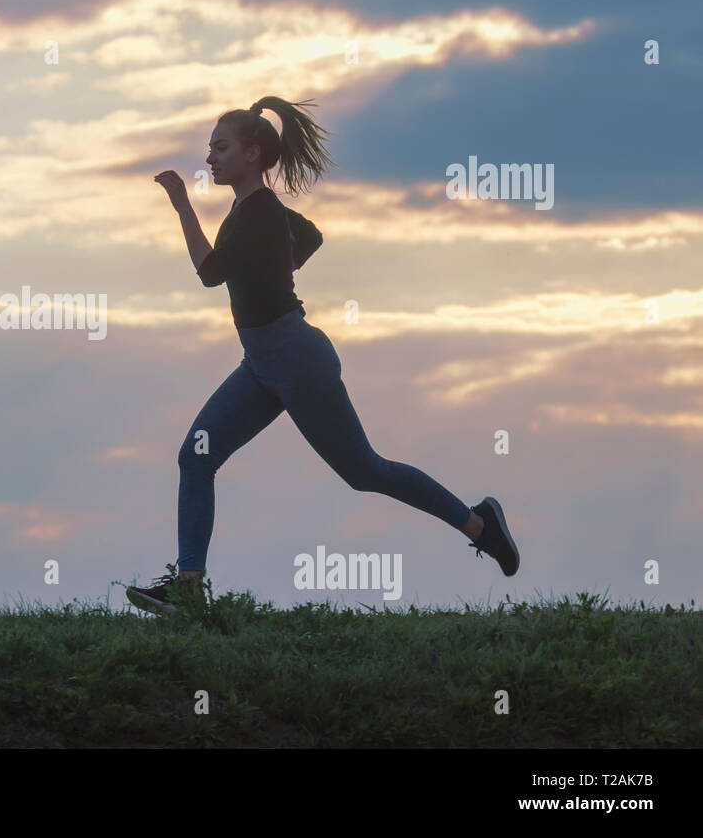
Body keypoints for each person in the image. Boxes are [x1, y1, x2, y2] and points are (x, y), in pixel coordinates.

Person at [127, 96, 519, 617]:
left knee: (365, 471)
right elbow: (309, 236)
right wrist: (278, 269)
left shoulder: (258, 214)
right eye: (209, 149)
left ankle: (479, 523)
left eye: (220, 148)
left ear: (252, 152)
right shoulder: (256, 212)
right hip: (263, 364)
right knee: (196, 457)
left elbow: (209, 271)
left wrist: (181, 205)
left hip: (296, 360)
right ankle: (189, 588)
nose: (210, 158)